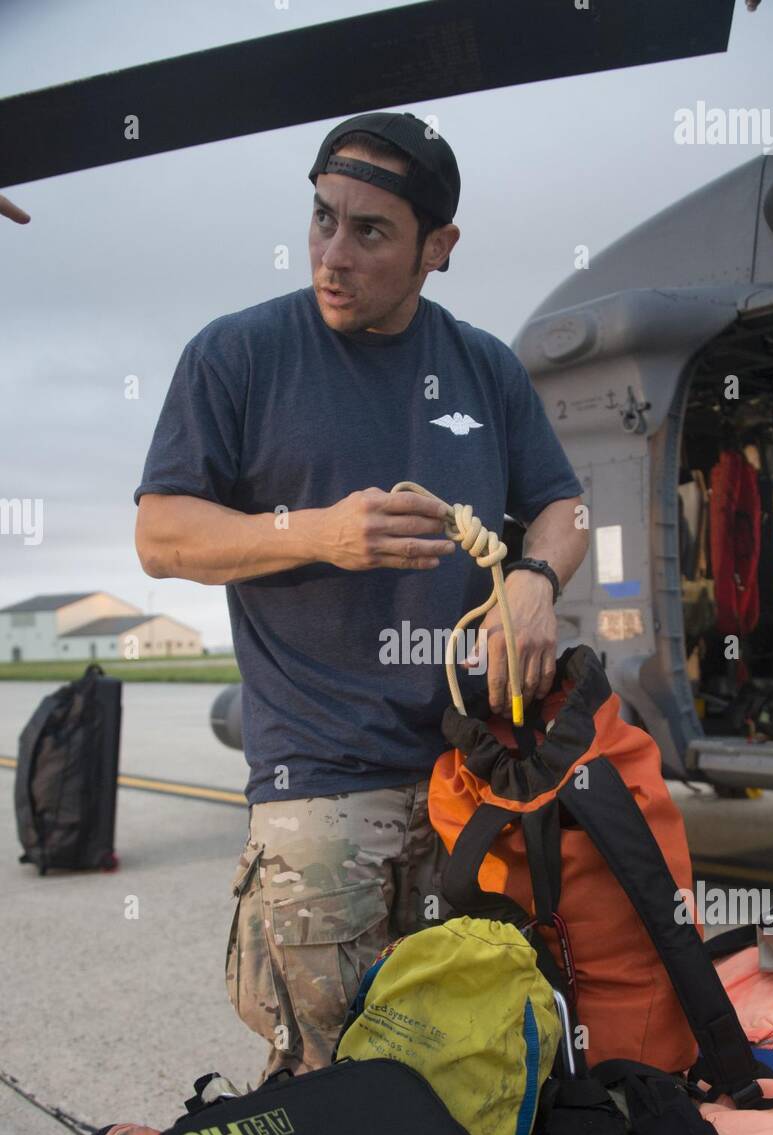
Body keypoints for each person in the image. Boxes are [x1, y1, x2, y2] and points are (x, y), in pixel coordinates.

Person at [134, 111, 589, 1080]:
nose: (332, 256)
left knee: (463, 1058)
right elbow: (160, 535)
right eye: (321, 219)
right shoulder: (239, 355)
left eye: (370, 232)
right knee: (331, 1085)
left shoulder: (484, 368)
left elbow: (566, 511)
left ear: (439, 247)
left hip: (467, 778)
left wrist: (534, 580)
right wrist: (315, 532)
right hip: (320, 785)